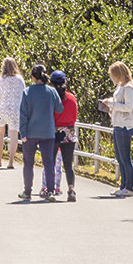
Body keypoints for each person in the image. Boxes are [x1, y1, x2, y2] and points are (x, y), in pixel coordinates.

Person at [17, 64, 63, 202]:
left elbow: (23, 114)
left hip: (30, 132)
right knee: (49, 163)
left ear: (32, 77)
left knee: (28, 162)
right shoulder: (51, 91)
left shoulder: (27, 92)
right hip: (48, 132)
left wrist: (23, 132)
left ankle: (27, 191)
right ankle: (50, 191)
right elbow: (59, 108)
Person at [100, 61, 133, 197]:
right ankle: (123, 185)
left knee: (125, 157)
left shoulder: (128, 88)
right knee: (119, 157)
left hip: (124, 125)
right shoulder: (120, 86)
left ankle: (129, 187)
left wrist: (111, 103)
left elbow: (128, 107)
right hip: (117, 123)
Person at [49, 69, 79, 201]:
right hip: (69, 132)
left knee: (50, 162)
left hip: (54, 131)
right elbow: (74, 116)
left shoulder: (50, 98)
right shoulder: (71, 97)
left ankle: (50, 189)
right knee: (68, 164)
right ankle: (71, 190)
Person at [0, 57, 26, 168]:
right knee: (13, 135)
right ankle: (11, 161)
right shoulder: (19, 79)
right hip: (15, 109)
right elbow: (24, 93)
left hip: (2, 109)